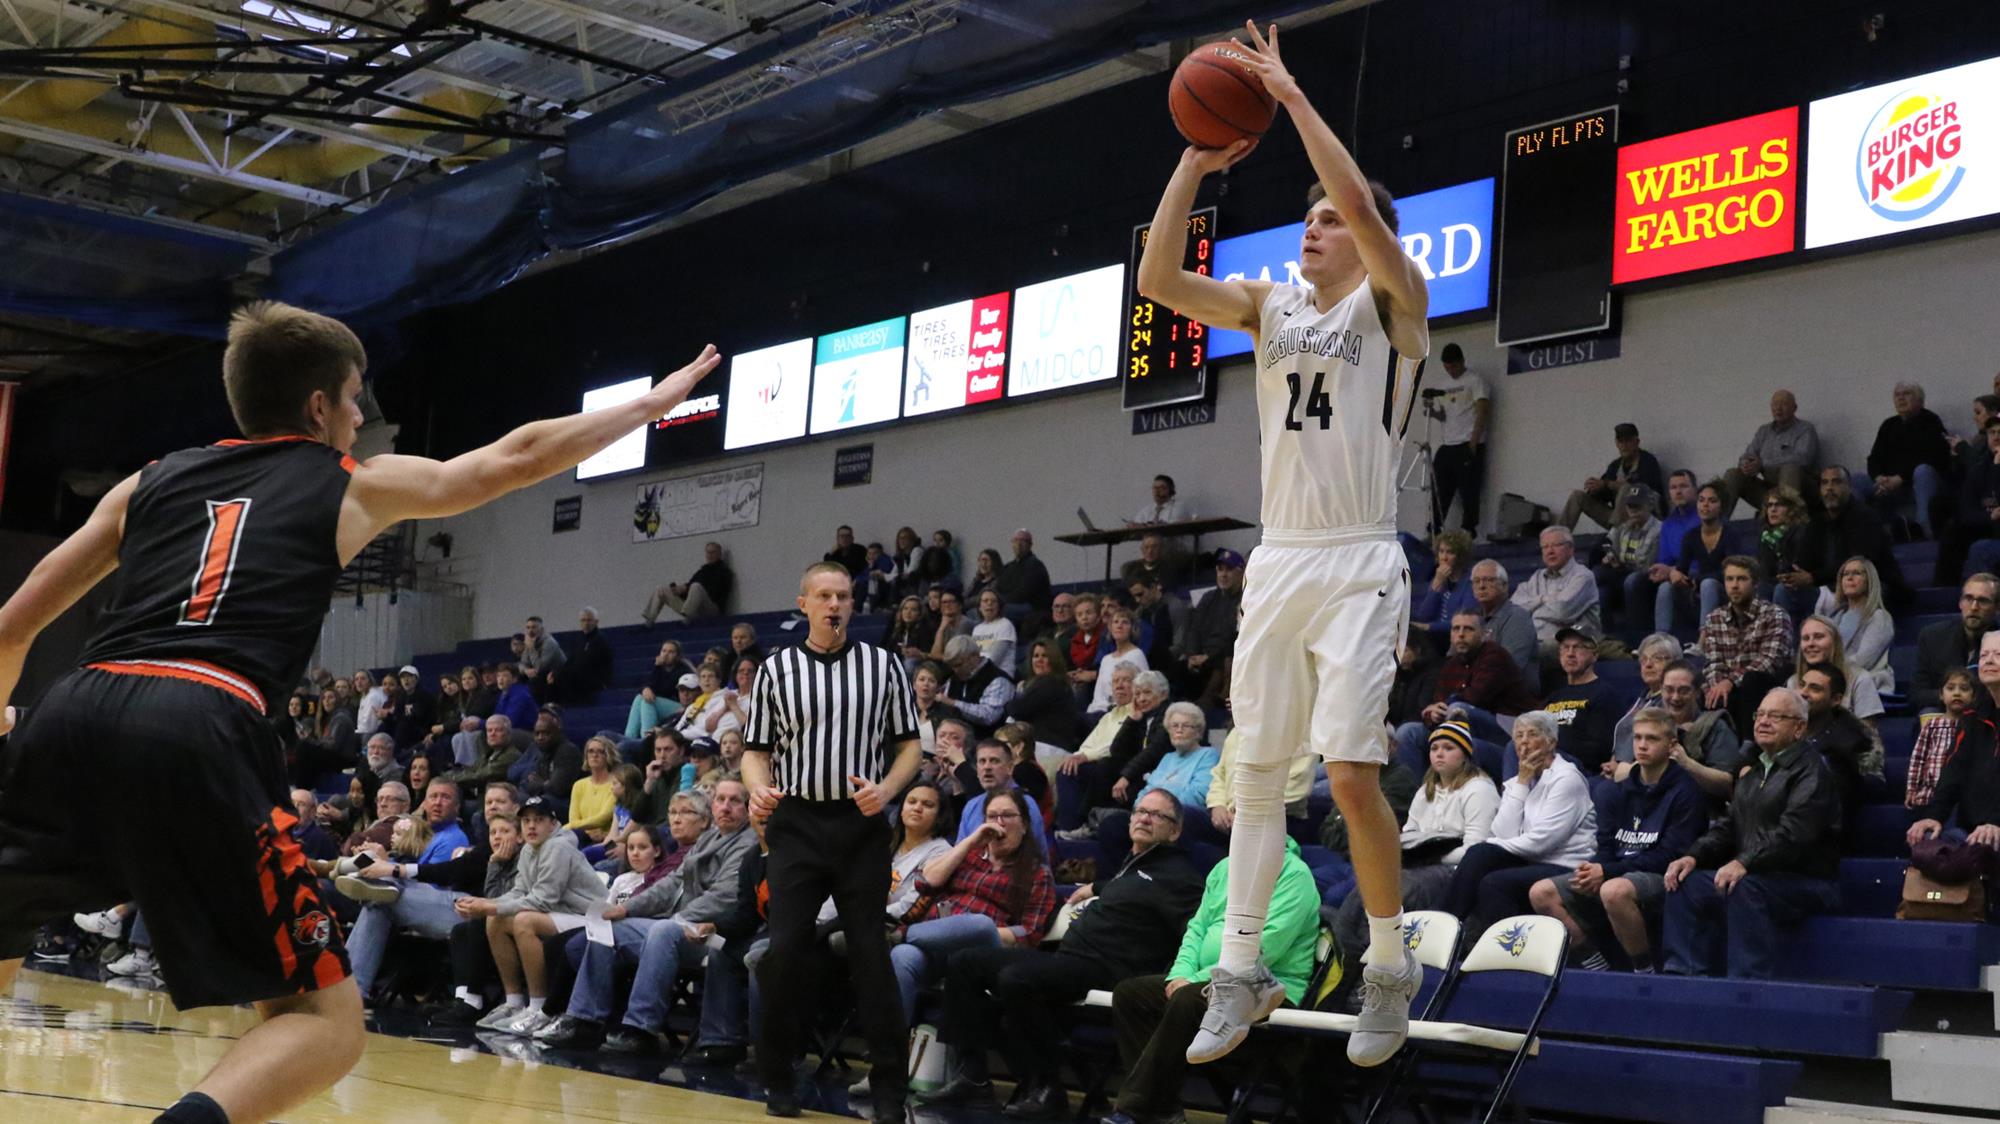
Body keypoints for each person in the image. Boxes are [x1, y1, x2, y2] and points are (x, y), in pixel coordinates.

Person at [0, 302, 718, 1124]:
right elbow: (512, 459)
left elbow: (13, 628)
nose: (356, 416)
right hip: (201, 716)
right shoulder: (350, 482)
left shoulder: (147, 481)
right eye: (354, 398)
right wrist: (647, 406)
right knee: (322, 1023)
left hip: (74, 709)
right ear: (319, 407)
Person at [1134, 19, 1431, 1069]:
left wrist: (1292, 98)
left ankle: (1390, 964)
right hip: (1280, 557)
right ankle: (1240, 966)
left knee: (1349, 775)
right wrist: (1194, 157)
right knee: (1255, 773)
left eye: (1325, 221)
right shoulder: (1270, 308)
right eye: (1303, 219)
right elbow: (1159, 280)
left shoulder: (1398, 306)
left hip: (1357, 555)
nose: (1312, 228)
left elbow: (1354, 202)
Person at [741, 561, 925, 1122]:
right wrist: (757, 792)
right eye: (824, 596)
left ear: (852, 604)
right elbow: (756, 750)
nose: (835, 604)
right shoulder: (776, 670)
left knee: (871, 953)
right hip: (795, 823)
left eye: (843, 596)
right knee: (786, 949)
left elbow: (910, 746)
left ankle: (890, 1086)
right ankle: (779, 1076)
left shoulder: (884, 666)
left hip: (859, 825)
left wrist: (888, 791)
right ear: (804, 605)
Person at [922, 788, 1204, 1116]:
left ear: (1175, 831)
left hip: (1110, 969)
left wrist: (1181, 973)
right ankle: (972, 1076)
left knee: (1016, 979)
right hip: (1069, 959)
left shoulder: (1182, 878)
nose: (1143, 818)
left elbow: (1192, 932)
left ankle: (1047, 1084)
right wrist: (1097, 887)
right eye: (1140, 811)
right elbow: (1133, 890)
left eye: (1157, 815)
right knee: (965, 962)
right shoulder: (1132, 865)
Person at [1107, 828, 1320, 1124]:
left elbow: (1269, 945)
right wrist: (1179, 974)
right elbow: (1197, 928)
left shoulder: (1295, 874)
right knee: (1131, 994)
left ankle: (1133, 1110)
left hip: (1266, 989)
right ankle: (1163, 1110)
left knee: (1188, 999)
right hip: (1206, 984)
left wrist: (1196, 980)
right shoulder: (1224, 868)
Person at [535, 780, 755, 1050]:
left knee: (662, 931)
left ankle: (640, 1028)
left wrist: (677, 919)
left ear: (747, 808)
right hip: (682, 925)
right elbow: (672, 882)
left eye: (734, 801)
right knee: (607, 928)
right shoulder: (709, 837)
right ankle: (585, 1020)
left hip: (717, 932)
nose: (726, 807)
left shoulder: (748, 842)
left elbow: (724, 896)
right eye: (720, 799)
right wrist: (627, 908)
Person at [1663, 688, 1842, 980]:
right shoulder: (1756, 770)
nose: (1764, 722)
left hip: (1805, 881)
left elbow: (1793, 834)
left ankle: (1746, 985)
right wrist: (1692, 856)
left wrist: (1744, 862)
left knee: (1744, 887)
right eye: (1760, 715)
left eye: (1776, 716)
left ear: (1799, 728)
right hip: (1760, 873)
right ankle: (1684, 978)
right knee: (1684, 884)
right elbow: (1729, 825)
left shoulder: (1812, 772)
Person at [1528, 709, 1705, 972]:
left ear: (1671, 745)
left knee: (1614, 891)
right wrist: (1595, 869)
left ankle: (1644, 971)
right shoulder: (1614, 791)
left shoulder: (1686, 791)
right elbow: (1607, 846)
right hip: (1619, 869)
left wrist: (1607, 872)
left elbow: (1670, 855)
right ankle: (1595, 966)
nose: (1642, 745)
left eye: (1652, 739)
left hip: (1662, 875)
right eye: (1638, 738)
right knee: (1541, 892)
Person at [1333, 724, 1500, 979]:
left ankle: (1379, 969)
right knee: (1365, 888)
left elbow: (1477, 849)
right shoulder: (1426, 790)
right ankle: (1345, 961)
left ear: (1465, 754)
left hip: (1453, 869)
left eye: (1448, 748)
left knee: (1402, 888)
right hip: (1420, 863)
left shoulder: (1480, 789)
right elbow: (1409, 834)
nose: (1439, 754)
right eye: (1434, 748)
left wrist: (1431, 855)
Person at [887, 790, 1057, 1027]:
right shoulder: (967, 855)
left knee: (979, 923)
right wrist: (969, 842)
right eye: (992, 816)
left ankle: (896, 935)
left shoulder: (1037, 872)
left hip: (985, 949)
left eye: (1007, 815)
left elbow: (1030, 934)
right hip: (935, 942)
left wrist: (975, 933)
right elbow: (926, 883)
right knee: (903, 957)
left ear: (1025, 825)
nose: (999, 823)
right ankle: (891, 1052)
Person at [455, 795, 615, 1035]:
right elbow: (519, 891)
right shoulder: (530, 849)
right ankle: (513, 1001)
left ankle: (539, 1007)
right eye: (526, 820)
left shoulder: (559, 846)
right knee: (495, 919)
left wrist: (490, 906)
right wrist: (486, 903)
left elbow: (543, 899)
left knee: (524, 920)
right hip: (561, 914)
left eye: (538, 820)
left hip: (592, 918)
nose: (531, 826)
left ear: (553, 824)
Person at [1442, 711, 1596, 934]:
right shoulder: (1518, 780)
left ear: (1551, 742)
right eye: (1518, 736)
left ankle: (1459, 932)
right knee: (1481, 858)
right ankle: (1451, 929)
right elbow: (1503, 832)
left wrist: (1489, 846)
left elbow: (1542, 842)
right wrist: (1522, 782)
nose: (1523, 742)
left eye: (1532, 734)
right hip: (1533, 859)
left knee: (1491, 875)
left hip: (1566, 863)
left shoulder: (1567, 779)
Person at [1391, 610, 1536, 764]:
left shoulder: (1494, 655)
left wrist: (1443, 707)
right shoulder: (1450, 664)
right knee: (1406, 732)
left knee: (1459, 709)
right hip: (1456, 724)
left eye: (1468, 629)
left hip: (1507, 729)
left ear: (1484, 634)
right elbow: (1435, 705)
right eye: (1456, 629)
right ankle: (1423, 786)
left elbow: (1476, 697)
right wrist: (1431, 715)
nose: (1461, 634)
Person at [1908, 635, 2000, 850]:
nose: (1989, 660)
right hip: (1973, 830)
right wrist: (1934, 816)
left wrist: (1996, 823)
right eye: (1984, 654)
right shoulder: (1972, 716)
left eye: (1998, 655)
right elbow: (1954, 771)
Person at [1694, 557, 1795, 735]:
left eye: (1741, 579)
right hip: (1729, 690)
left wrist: (1730, 681)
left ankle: (1749, 743)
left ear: (1755, 583)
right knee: (1705, 688)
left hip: (1766, 687)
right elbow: (1713, 661)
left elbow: (1770, 661)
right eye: (1729, 579)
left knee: (1751, 680)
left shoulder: (1775, 615)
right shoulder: (1715, 618)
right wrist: (1718, 685)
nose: (1734, 585)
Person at [1854, 382, 1950, 539]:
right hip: (1889, 484)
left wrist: (1901, 478)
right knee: (1857, 480)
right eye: (1897, 395)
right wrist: (1879, 478)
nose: (1901, 398)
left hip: (1916, 483)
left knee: (1923, 471)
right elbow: (1874, 458)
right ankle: (1860, 536)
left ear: (1920, 400)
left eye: (1906, 394)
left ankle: (1925, 533)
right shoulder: (1889, 425)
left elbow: (1934, 456)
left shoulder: (1930, 421)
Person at [1512, 526, 1601, 685]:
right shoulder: (1537, 577)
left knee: (1540, 649)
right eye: (1545, 547)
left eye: (1556, 545)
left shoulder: (1583, 576)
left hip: (1574, 640)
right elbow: (1515, 609)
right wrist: (1542, 599)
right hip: (1536, 639)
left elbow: (1562, 611)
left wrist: (1534, 610)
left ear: (1571, 548)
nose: (1550, 551)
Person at [1540, 628, 1631, 778]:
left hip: (1578, 768)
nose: (1570, 653)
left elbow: (1599, 750)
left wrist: (1552, 745)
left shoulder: (1604, 694)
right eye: (1565, 647)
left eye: (1578, 647)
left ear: (1594, 655)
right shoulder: (1554, 696)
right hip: (1546, 760)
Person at [1653, 478, 1738, 632]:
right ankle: (1660, 638)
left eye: (1712, 501)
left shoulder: (1730, 534)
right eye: (1701, 500)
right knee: (1666, 587)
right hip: (1698, 591)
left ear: (1721, 507)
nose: (1705, 505)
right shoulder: (1691, 536)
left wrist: (1698, 579)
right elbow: (1682, 569)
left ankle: (1705, 637)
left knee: (1708, 584)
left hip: (1725, 591)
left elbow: (1731, 572)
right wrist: (1675, 574)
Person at [1723, 389, 1821, 518]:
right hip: (1771, 493)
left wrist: (1763, 464)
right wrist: (1746, 465)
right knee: (1733, 474)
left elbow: (1804, 459)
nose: (1778, 408)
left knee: (1789, 469)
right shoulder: (1764, 431)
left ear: (1794, 408)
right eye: (1774, 404)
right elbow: (1748, 455)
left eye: (1784, 404)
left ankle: (1788, 522)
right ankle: (1717, 525)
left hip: (1802, 491)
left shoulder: (1805, 429)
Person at [1427, 342, 1490, 534]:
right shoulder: (1443, 385)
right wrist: (1431, 411)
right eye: (1447, 368)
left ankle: (1468, 529)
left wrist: (1474, 442)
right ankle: (1434, 527)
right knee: (1439, 488)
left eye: (1453, 366)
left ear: (1462, 361)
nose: (1451, 371)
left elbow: (1482, 411)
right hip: (1448, 443)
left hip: (1468, 442)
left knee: (1468, 490)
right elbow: (1445, 415)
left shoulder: (1475, 381)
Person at [1913, 574, 1999, 714]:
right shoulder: (1933, 637)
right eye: (1968, 598)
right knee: (1927, 712)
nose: (1974, 607)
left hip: (1990, 715)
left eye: (1983, 601)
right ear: (1960, 603)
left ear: (1997, 608)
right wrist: (1954, 698)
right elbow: (1917, 693)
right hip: (1944, 712)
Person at [1561, 422, 1666, 531]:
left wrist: (1609, 484)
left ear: (1637, 442)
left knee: (1627, 489)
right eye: (1621, 441)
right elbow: (1602, 496)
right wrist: (1595, 488)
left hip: (1647, 517)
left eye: (1628, 441)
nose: (1624, 445)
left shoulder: (1648, 461)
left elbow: (1642, 492)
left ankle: (1614, 537)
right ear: (1616, 443)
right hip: (1620, 520)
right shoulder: (1615, 466)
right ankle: (1557, 536)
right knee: (1577, 496)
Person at [955, 737, 1052, 853]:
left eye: (994, 761)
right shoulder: (971, 806)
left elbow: (1036, 856)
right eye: (982, 761)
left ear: (1010, 768)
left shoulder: (1025, 804)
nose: (987, 767)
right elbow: (959, 853)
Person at [1175, 549, 1244, 705]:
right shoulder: (1208, 598)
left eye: (1229, 570)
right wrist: (1192, 654)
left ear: (1241, 573)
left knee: (1223, 662)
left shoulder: (1245, 599)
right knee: (1175, 668)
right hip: (1201, 657)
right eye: (1220, 570)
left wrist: (1209, 657)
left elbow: (1235, 636)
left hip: (1224, 657)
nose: (1223, 575)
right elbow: (1194, 629)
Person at [1908, 668, 1978, 812]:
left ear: (1973, 696)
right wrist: (1912, 789)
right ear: (1941, 695)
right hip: (1929, 795)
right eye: (1950, 688)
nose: (1957, 693)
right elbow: (1918, 759)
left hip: (1963, 797)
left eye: (1964, 689)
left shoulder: (1975, 726)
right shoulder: (1932, 725)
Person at [1595, 485, 1663, 630]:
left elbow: (1648, 565)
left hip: (1646, 577)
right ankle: (1604, 634)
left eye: (1638, 506)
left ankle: (1638, 634)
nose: (1633, 510)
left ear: (1649, 506)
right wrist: (1611, 559)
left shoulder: (1659, 529)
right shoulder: (1623, 528)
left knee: (1630, 580)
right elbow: (1615, 552)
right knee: (1599, 580)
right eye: (1630, 506)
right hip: (1623, 572)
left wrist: (1619, 567)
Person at [1470, 559, 1540, 695]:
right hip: (1476, 693)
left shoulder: (1518, 617)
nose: (1482, 586)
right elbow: (1453, 662)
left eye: (1488, 580)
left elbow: (1507, 668)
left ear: (1504, 586)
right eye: (1477, 581)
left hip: (1510, 700)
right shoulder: (1470, 618)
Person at [1006, 641, 1084, 754]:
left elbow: (1017, 709)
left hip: (1049, 747)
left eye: (1045, 656)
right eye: (1036, 656)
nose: (1039, 660)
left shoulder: (1051, 683)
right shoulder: (1044, 683)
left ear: (1054, 660)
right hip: (1042, 745)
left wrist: (1016, 696)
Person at [643, 540, 734, 625]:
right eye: (707, 552)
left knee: (696, 586)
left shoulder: (724, 571)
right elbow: (690, 590)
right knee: (661, 589)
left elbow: (713, 592)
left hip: (711, 610)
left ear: (719, 554)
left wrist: (686, 588)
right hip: (694, 609)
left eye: (713, 552)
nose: (709, 555)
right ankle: (649, 621)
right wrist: (679, 591)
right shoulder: (702, 571)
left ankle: (687, 619)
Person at [1411, 531, 1476, 641]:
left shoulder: (1471, 582)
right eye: (1441, 552)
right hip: (1436, 635)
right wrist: (1435, 586)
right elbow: (1424, 616)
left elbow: (1466, 620)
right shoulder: (1438, 579)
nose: (1444, 557)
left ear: (1460, 556)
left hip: (1457, 636)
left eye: (1450, 552)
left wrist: (1430, 627)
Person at [1088, 607, 1149, 717]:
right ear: (1110, 628)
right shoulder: (1106, 659)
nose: (1119, 626)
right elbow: (1099, 694)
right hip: (1101, 712)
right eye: (1115, 622)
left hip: (1125, 712)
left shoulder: (1137, 654)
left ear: (1132, 628)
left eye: (1125, 622)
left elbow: (1143, 690)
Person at [1753, 486, 1811, 602]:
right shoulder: (1765, 535)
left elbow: (1798, 565)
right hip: (1773, 582)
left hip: (1798, 585)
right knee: (1761, 587)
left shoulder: (1801, 531)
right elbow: (1765, 570)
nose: (1773, 510)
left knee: (1780, 589)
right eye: (1770, 505)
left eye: (1779, 505)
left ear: (1791, 509)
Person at [551, 607, 614, 705]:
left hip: (595, 678)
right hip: (580, 676)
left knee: (565, 677)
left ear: (596, 622)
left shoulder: (601, 640)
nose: (586, 623)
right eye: (583, 620)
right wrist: (555, 672)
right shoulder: (578, 640)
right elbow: (570, 661)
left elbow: (590, 663)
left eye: (589, 620)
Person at [995, 529, 1053, 615]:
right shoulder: (1008, 567)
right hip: (1011, 603)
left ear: (1030, 545)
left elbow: (1023, 594)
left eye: (1023, 541)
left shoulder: (1035, 565)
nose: (1018, 544)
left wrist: (1000, 601)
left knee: (999, 610)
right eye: (1015, 540)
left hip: (1033, 607)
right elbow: (999, 587)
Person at [971, 589, 1019, 678]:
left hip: (999, 677)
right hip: (979, 675)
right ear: (979, 607)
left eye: (993, 601)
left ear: (999, 606)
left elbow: (995, 660)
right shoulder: (977, 629)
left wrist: (974, 674)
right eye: (985, 601)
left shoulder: (1005, 624)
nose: (989, 603)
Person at [519, 616, 567, 702]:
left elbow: (540, 667)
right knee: (519, 676)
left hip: (558, 675)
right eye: (528, 628)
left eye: (534, 627)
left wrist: (532, 647)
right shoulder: (529, 642)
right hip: (543, 676)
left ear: (542, 630)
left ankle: (543, 709)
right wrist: (526, 670)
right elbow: (522, 663)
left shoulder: (549, 643)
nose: (530, 631)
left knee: (536, 679)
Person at [1127, 473, 1193, 526]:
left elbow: (1171, 527)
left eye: (1161, 487)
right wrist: (1133, 525)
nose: (1157, 491)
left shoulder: (1179, 507)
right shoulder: (1147, 510)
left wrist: (1144, 525)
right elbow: (1136, 524)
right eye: (1154, 488)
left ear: (1170, 490)